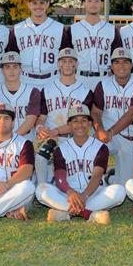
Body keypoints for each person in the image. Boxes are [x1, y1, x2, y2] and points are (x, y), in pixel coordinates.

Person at [35, 105, 127, 225]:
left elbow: (97, 176)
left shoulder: (101, 147)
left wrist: (84, 196)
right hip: (68, 195)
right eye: (75, 121)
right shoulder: (61, 149)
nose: (80, 125)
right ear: (69, 125)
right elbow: (60, 178)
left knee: (119, 191)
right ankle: (90, 214)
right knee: (40, 190)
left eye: (84, 120)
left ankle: (66, 213)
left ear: (90, 123)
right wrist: (71, 193)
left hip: (93, 193)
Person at [91, 47, 133, 185]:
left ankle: (110, 178)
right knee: (92, 148)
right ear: (111, 66)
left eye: (125, 62)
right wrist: (99, 130)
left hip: (131, 140)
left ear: (131, 65)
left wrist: (110, 131)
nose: (121, 66)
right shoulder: (103, 84)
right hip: (109, 137)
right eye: (117, 62)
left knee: (127, 185)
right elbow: (95, 112)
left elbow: (132, 113)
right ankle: (92, 180)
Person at [35, 48, 94, 184]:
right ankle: (41, 189)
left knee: (71, 182)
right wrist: (40, 128)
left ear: (76, 64)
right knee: (40, 158)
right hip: (51, 139)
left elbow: (79, 123)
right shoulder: (47, 89)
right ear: (59, 64)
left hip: (74, 139)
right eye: (63, 61)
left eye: (71, 61)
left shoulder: (86, 92)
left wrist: (57, 130)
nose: (67, 64)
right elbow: (42, 117)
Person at [8, 0, 70, 88]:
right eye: (34, 3)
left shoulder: (59, 28)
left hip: (52, 80)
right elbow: (12, 57)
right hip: (25, 81)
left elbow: (66, 57)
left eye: (42, 2)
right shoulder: (18, 29)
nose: (38, 6)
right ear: (28, 4)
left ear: (47, 4)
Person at [69, 0, 122, 91]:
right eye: (89, 0)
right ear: (83, 3)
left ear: (102, 4)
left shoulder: (112, 30)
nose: (93, 3)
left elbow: (118, 58)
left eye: (97, 0)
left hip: (105, 80)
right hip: (79, 79)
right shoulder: (72, 29)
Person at [0, 51, 42, 138]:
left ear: (20, 69)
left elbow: (30, 123)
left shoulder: (33, 92)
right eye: (7, 67)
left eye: (15, 67)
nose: (11, 71)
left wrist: (10, 139)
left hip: (27, 143)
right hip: (1, 145)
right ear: (2, 70)